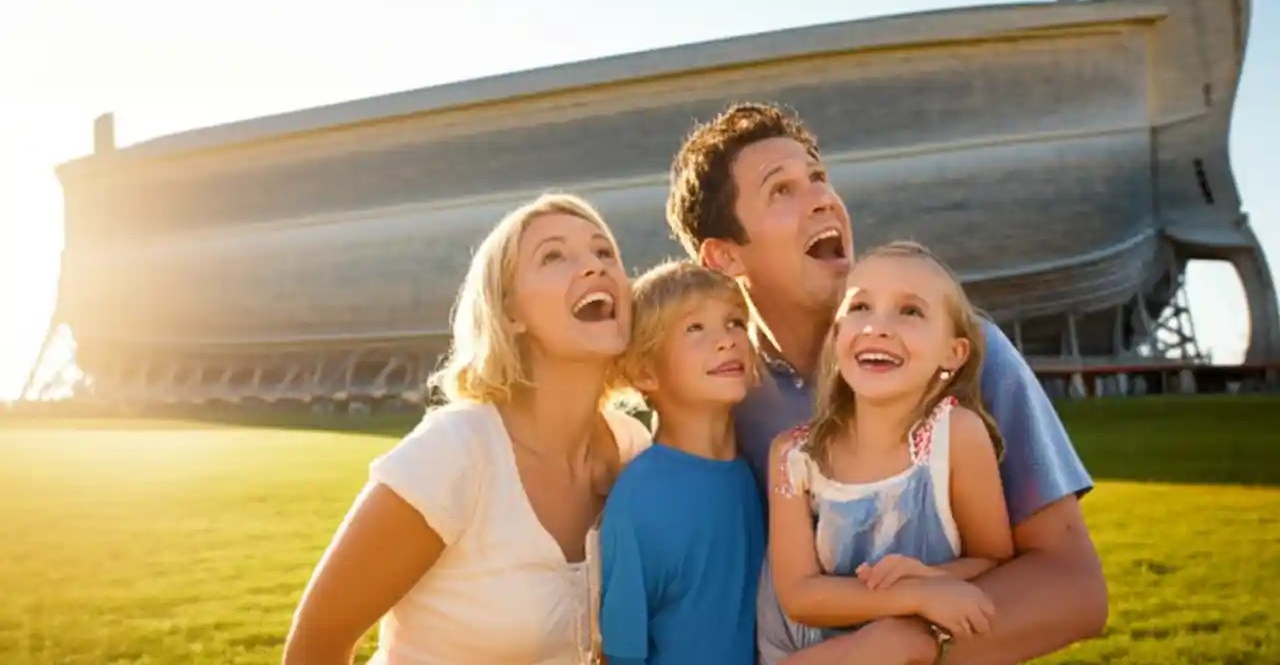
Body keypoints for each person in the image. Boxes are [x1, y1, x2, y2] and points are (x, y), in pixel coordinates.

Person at [665, 103, 1107, 663]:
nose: (823, 198)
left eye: (819, 177)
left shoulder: (968, 355)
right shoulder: (722, 394)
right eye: (782, 190)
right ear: (724, 255)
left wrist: (905, 641)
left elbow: (1075, 588)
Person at [283, 193, 652, 665]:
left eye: (605, 253)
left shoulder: (632, 449)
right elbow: (317, 642)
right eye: (554, 256)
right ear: (511, 313)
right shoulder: (455, 453)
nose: (594, 267)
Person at [766, 240, 1015, 663]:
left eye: (911, 311)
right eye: (859, 308)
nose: (877, 327)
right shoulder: (793, 455)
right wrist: (914, 595)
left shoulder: (956, 436)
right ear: (837, 336)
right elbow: (800, 595)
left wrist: (935, 578)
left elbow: (995, 559)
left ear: (953, 353)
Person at [597, 261, 765, 664]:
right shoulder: (640, 502)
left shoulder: (757, 469)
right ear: (645, 372)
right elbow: (621, 654)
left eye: (735, 323)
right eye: (695, 329)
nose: (726, 340)